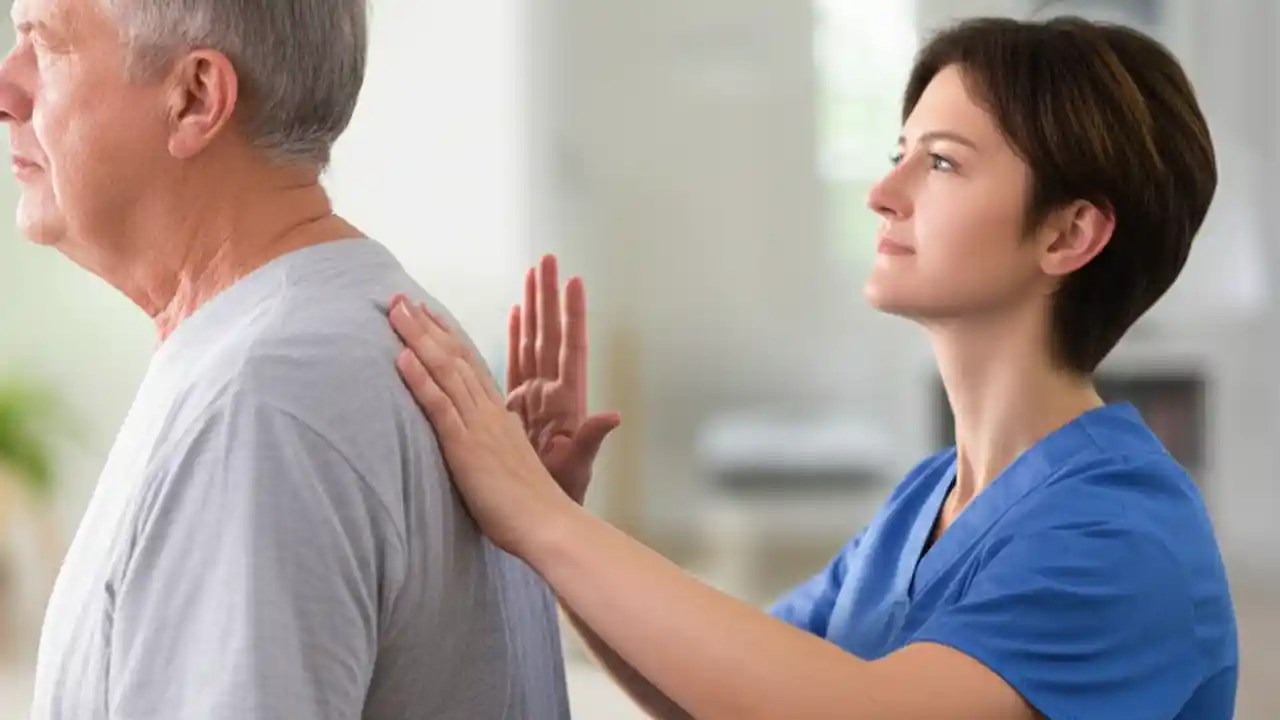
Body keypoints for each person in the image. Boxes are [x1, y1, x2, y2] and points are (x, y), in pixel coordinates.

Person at [387, 16, 1238, 720]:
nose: (883, 189)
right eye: (900, 150)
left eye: (939, 162)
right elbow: (721, 698)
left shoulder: (1126, 535)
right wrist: (555, 524)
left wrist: (542, 521)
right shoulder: (924, 503)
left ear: (1067, 235)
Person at [1, 0, 567, 717]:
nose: (6, 88)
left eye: (44, 47)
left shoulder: (268, 404)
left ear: (195, 98)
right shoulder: (343, 338)